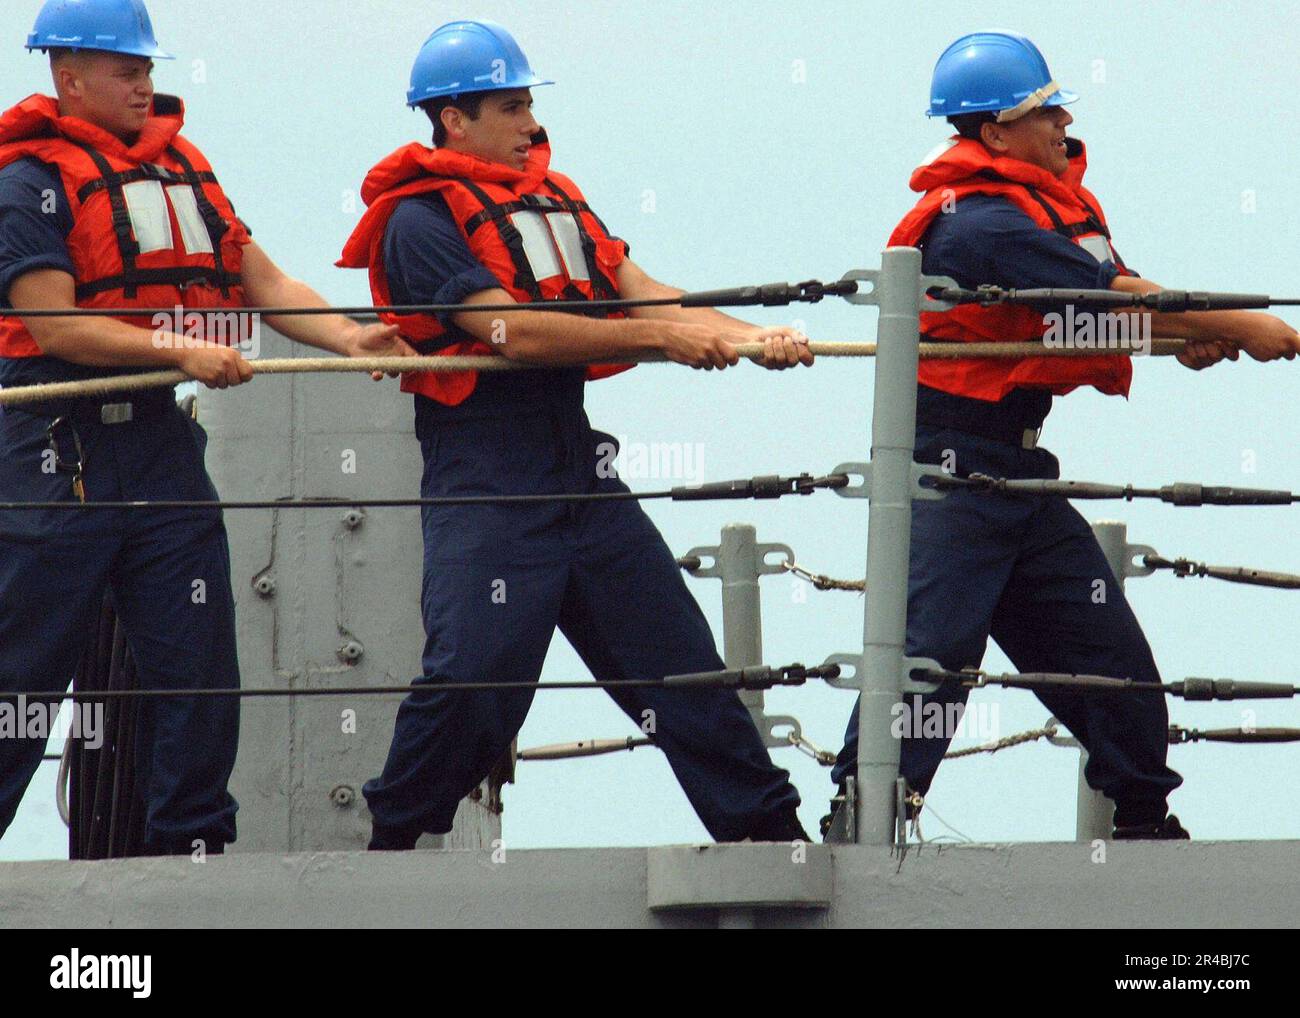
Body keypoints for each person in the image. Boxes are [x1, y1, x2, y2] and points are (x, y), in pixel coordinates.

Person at [339, 19, 815, 848]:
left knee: (681, 669)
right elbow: (508, 332)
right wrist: (660, 338)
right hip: (487, 476)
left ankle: (772, 844)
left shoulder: (556, 203)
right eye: (513, 106)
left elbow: (647, 293)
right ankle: (392, 854)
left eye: (530, 106)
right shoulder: (418, 220)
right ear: (453, 119)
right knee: (476, 679)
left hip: (579, 472)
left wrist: (747, 337)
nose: (533, 125)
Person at [830, 30, 1300, 840]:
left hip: (1015, 470)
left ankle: (1145, 817)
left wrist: (1180, 339)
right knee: (931, 660)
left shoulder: (1032, 211)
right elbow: (1114, 291)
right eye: (1042, 108)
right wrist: (1241, 322)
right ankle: (863, 819)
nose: (1061, 121)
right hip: (949, 469)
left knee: (1107, 657)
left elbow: (1080, 318)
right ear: (992, 133)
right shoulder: (979, 224)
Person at [0, 0, 410, 854]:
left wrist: (347, 334)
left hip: (156, 440)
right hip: (54, 440)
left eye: (148, 67)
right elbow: (54, 326)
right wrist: (180, 348)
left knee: (198, 664)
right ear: (67, 77)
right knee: (23, 667)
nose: (146, 83)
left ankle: (193, 850)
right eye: (127, 69)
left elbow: (264, 280)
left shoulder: (181, 167)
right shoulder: (25, 181)